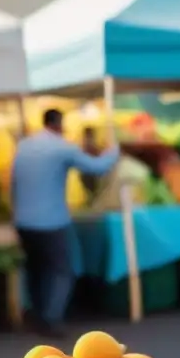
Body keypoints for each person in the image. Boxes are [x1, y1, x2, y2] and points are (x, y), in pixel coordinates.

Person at [11, 109, 119, 336]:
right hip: (51, 221)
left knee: (35, 269)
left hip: (23, 221)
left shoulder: (24, 146)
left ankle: (36, 314)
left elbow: (13, 183)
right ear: (60, 124)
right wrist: (113, 151)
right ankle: (52, 318)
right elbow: (96, 168)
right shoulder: (62, 147)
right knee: (62, 270)